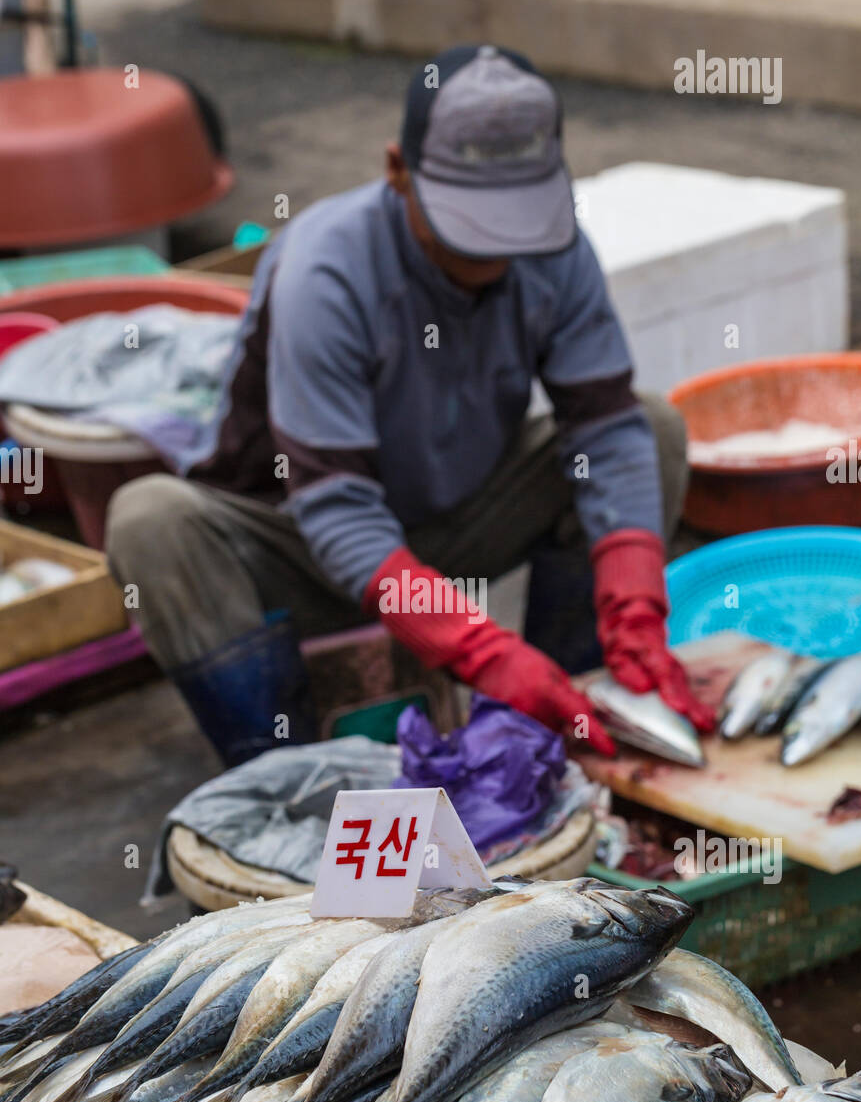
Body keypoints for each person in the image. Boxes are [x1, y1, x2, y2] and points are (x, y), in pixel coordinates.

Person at [106, 43, 714, 768]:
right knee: (150, 520)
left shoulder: (556, 247)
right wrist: (484, 652)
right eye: (470, 224)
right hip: (297, 546)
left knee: (651, 424)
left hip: (451, 524)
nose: (495, 253)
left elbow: (607, 429)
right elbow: (340, 515)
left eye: (515, 222)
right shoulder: (325, 268)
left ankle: (575, 722)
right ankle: (284, 775)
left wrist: (635, 602)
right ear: (397, 170)